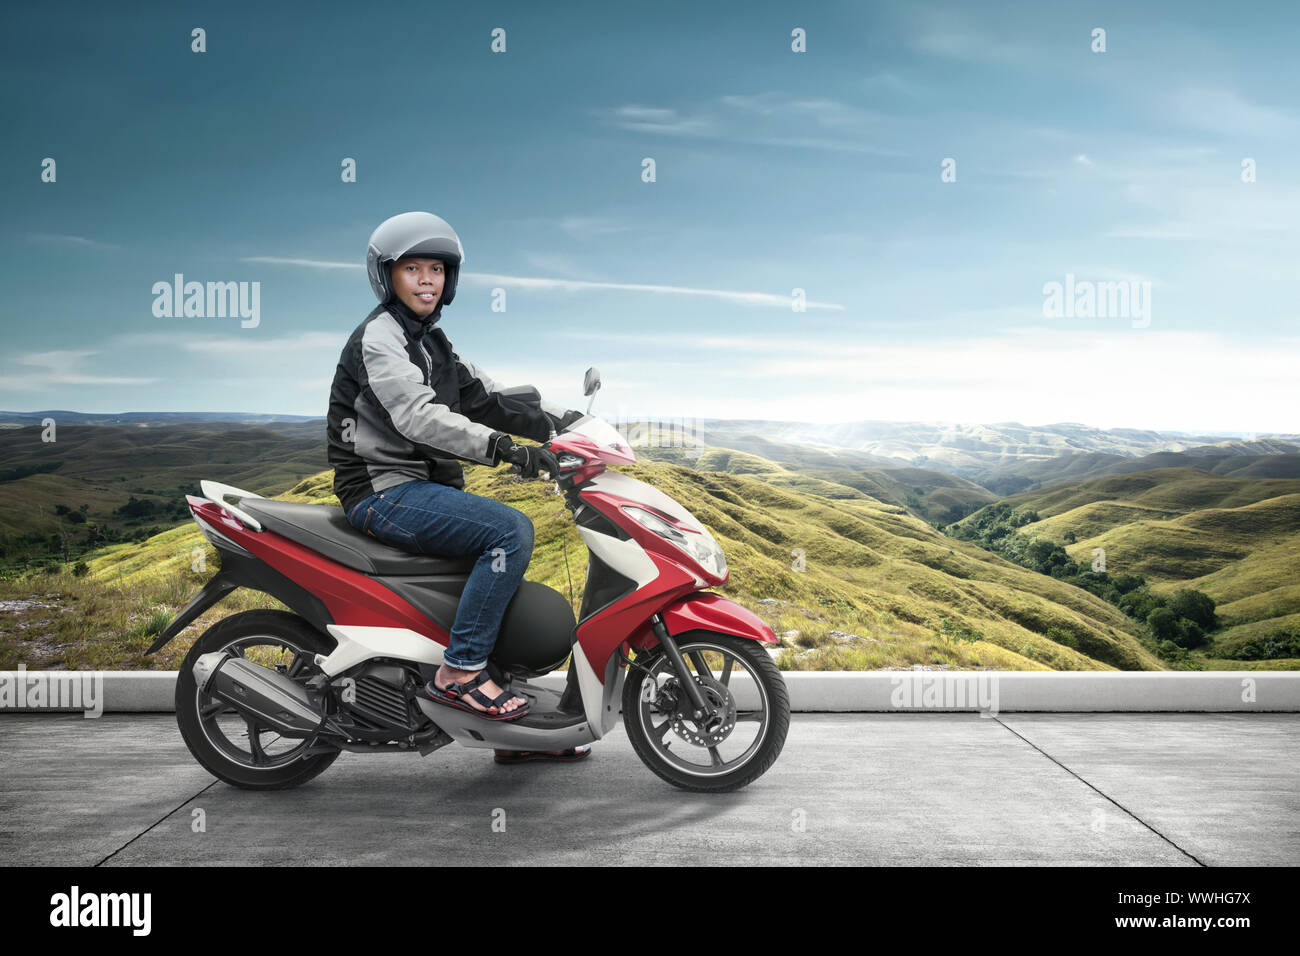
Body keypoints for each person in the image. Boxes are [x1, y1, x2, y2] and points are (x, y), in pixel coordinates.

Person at [326, 212, 588, 760]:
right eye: (413, 268)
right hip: (382, 490)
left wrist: (563, 422)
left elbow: (489, 397)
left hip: (420, 486)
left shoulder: (433, 342)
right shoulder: (381, 340)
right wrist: (502, 448)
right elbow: (419, 417)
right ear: (386, 276)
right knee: (510, 532)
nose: (427, 280)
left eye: (437, 269)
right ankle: (461, 674)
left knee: (497, 557)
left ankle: (513, 733)